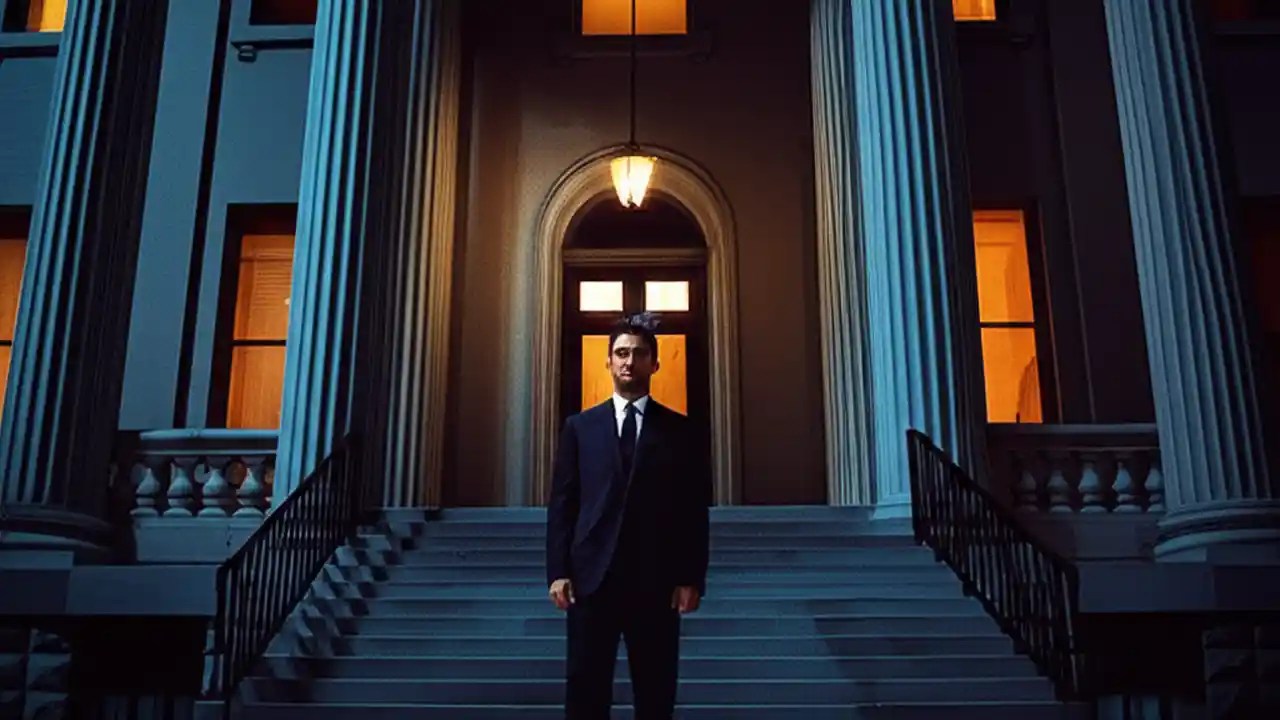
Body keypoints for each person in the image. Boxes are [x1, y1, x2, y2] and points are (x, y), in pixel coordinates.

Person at [546, 312, 712, 719]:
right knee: (585, 693)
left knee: (655, 695)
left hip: (655, 583)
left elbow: (692, 510)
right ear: (607, 361)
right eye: (621, 353)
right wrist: (558, 570)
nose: (628, 362)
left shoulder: (681, 431)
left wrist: (691, 577)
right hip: (591, 581)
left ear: (654, 363)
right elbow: (563, 504)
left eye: (638, 354)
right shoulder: (579, 428)